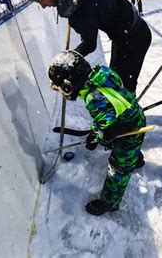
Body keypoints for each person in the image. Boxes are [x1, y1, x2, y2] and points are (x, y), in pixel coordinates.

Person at [7, 0, 152, 93]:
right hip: (123, 32)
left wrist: (67, 60)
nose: (43, 6)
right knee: (114, 82)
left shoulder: (80, 9)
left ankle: (130, 113)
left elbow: (89, 45)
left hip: (135, 37)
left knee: (122, 90)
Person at [48, 50, 146, 215]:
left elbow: (107, 127)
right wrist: (96, 132)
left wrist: (100, 136)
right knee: (131, 149)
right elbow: (110, 110)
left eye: (62, 89)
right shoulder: (102, 73)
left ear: (68, 85)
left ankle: (110, 202)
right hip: (134, 117)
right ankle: (135, 158)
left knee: (118, 169)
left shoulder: (94, 99)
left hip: (129, 131)